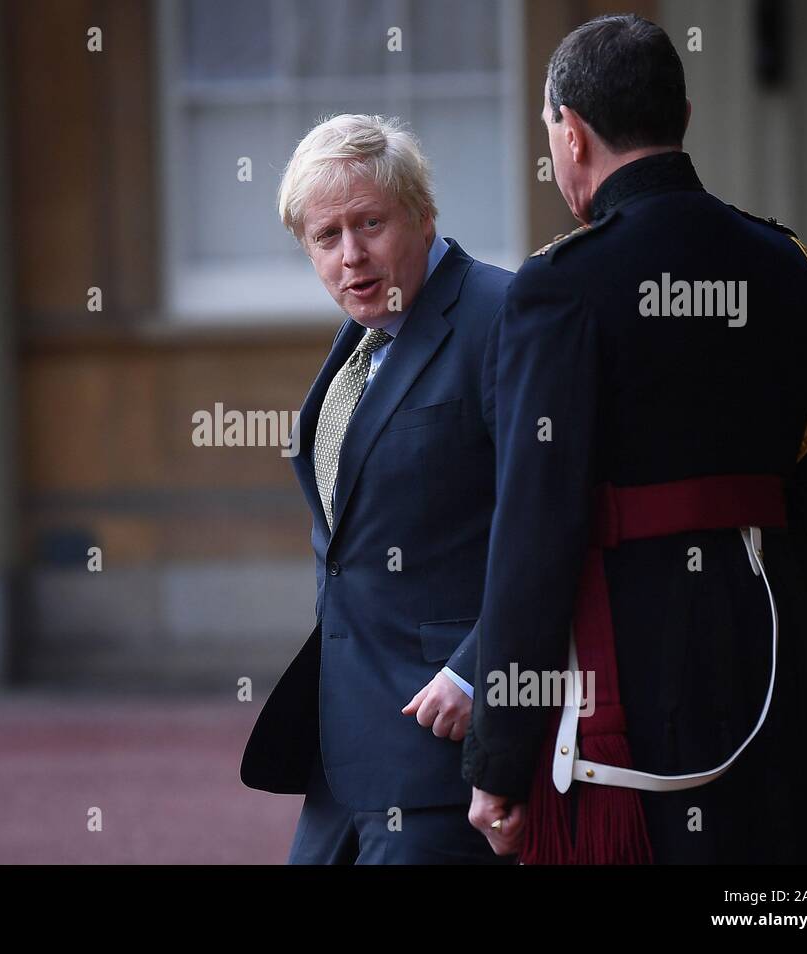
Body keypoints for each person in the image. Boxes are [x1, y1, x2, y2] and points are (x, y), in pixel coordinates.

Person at [462, 15, 807, 864]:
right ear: (683, 117)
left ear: (569, 132)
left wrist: (499, 757)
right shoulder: (797, 268)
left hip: (631, 692)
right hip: (772, 654)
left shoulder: (558, 288)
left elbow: (532, 538)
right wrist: (794, 668)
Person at [238, 114, 514, 863]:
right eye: (326, 238)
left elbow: (555, 520)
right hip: (342, 752)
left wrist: (479, 670)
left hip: (443, 747)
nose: (351, 256)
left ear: (424, 217)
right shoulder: (363, 338)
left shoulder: (503, 316)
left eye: (370, 224)